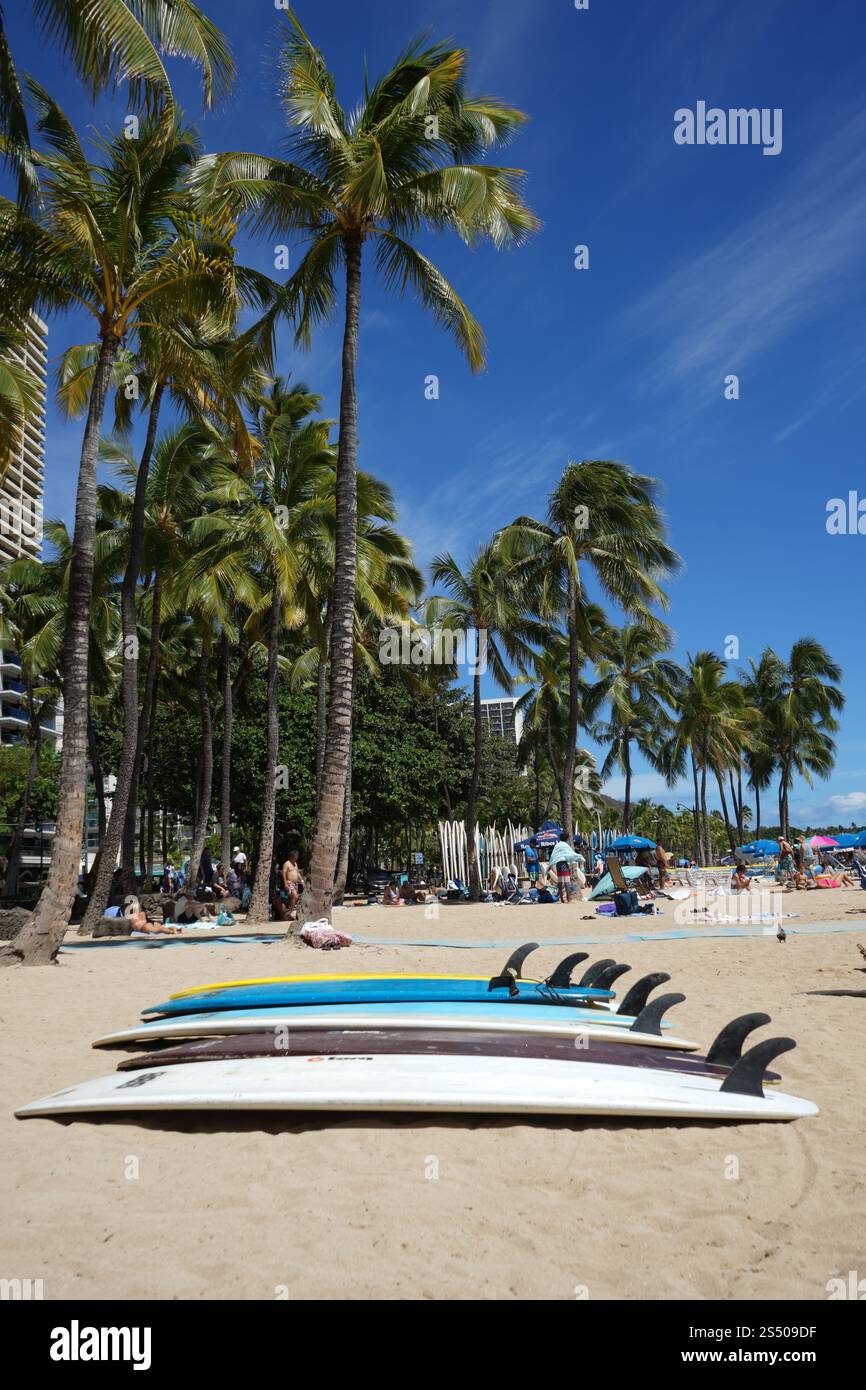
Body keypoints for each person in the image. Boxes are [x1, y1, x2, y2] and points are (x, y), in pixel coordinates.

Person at [281, 851, 305, 921]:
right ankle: (292, 911)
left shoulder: (295, 864)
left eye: (296, 857)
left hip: (295, 883)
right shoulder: (287, 864)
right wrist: (285, 883)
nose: (296, 859)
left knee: (293, 897)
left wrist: (302, 881)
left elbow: (297, 873)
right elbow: (284, 873)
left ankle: (291, 911)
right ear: (291, 857)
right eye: (295, 857)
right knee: (295, 896)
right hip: (289, 883)